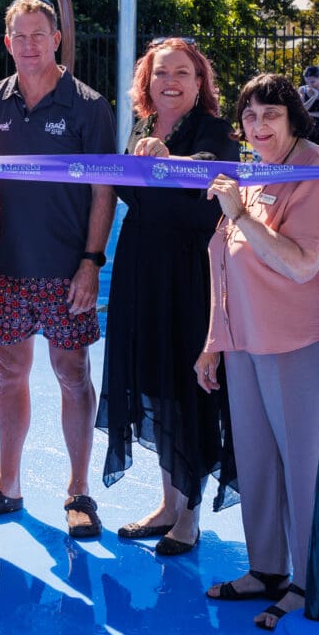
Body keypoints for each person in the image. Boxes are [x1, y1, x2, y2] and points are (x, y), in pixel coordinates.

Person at [196, 72, 319, 631]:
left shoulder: (316, 171)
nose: (259, 127)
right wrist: (216, 339)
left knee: (304, 465)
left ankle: (309, 582)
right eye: (250, 116)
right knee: (258, 461)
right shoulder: (257, 173)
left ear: (293, 120)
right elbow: (226, 256)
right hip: (248, 339)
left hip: (300, 338)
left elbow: (301, 261)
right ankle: (266, 570)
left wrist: (237, 212)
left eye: (271, 116)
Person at [0, 0, 117, 539]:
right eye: (18, 36)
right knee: (8, 375)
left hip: (66, 270)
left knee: (73, 376)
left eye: (38, 35)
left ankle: (79, 492)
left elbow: (104, 191)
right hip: (4, 267)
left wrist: (91, 263)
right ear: (7, 43)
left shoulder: (89, 106)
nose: (28, 45)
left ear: (56, 40)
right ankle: (8, 485)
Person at [97, 37, 239, 556]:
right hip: (142, 267)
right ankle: (166, 503)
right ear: (147, 83)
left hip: (189, 274)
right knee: (154, 381)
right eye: (161, 74)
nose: (171, 82)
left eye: (182, 72)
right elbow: (131, 192)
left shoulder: (215, 130)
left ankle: (190, 515)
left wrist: (167, 160)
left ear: (200, 82)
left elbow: (211, 173)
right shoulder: (139, 128)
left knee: (189, 388)